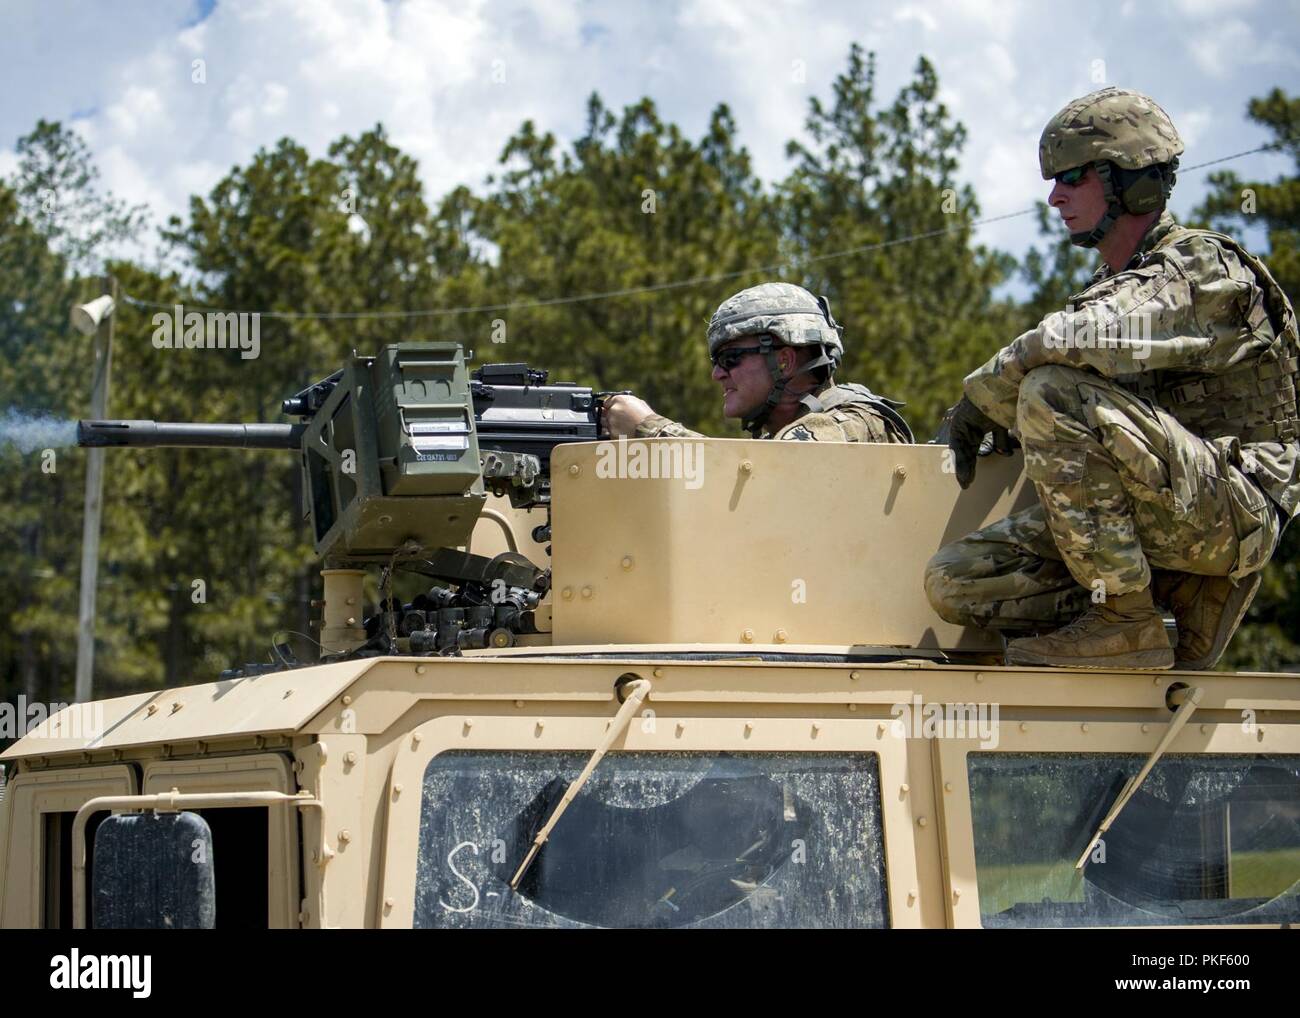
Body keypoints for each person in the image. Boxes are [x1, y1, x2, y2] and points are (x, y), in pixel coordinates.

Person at [925, 87, 1299, 671]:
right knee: (955, 581)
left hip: (1234, 508)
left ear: (1132, 179)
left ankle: (1124, 623)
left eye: (1071, 176)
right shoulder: (1115, 281)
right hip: (1154, 509)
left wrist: (982, 397)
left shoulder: (1205, 268)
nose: (1054, 197)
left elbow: (1076, 338)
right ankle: (1151, 606)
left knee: (1049, 390)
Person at [602, 282, 913, 444]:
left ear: (784, 361)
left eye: (730, 359)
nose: (717, 374)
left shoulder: (854, 424)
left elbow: (764, 482)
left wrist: (649, 429)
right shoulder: (780, 441)